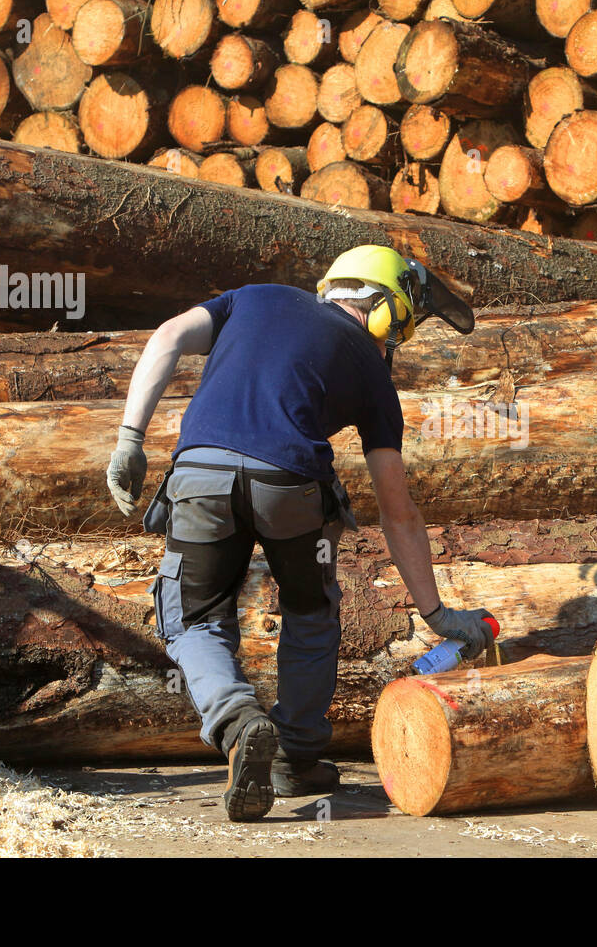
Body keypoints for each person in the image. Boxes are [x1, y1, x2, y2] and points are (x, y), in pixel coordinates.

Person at [104, 245, 498, 822]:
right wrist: (438, 617)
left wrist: (129, 439)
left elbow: (166, 335)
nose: (390, 347)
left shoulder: (254, 297)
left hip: (200, 476)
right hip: (292, 487)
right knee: (310, 613)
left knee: (193, 617)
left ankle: (240, 726)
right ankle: (295, 757)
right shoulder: (370, 368)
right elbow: (399, 512)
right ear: (384, 313)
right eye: (397, 333)